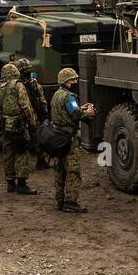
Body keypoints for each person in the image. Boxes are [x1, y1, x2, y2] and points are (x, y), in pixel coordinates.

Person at [49, 67, 94, 213]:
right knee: (73, 170)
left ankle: (60, 200)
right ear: (66, 81)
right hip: (68, 138)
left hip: (56, 137)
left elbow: (65, 111)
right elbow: (75, 114)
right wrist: (88, 113)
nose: (75, 82)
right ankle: (71, 201)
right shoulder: (69, 97)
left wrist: (81, 108)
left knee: (59, 169)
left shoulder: (56, 95)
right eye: (73, 80)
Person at [0, 62, 38, 193]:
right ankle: (22, 183)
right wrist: (32, 122)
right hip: (19, 124)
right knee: (22, 152)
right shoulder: (18, 86)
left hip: (5, 123)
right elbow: (25, 106)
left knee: (8, 152)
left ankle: (10, 182)